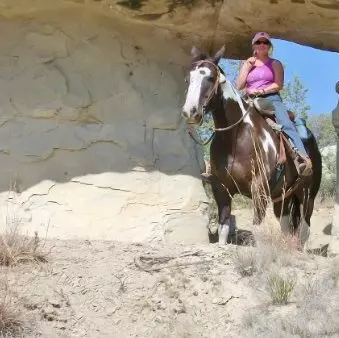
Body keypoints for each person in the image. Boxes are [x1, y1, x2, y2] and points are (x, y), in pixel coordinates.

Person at [236, 32, 312, 177]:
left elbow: (278, 84)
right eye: (259, 42)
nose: (262, 45)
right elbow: (239, 85)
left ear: (269, 46)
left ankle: (302, 158)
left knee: (285, 123)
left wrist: (261, 90)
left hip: (271, 98)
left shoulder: (275, 63)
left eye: (265, 42)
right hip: (248, 100)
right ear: (254, 45)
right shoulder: (247, 64)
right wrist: (246, 67)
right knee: (231, 120)